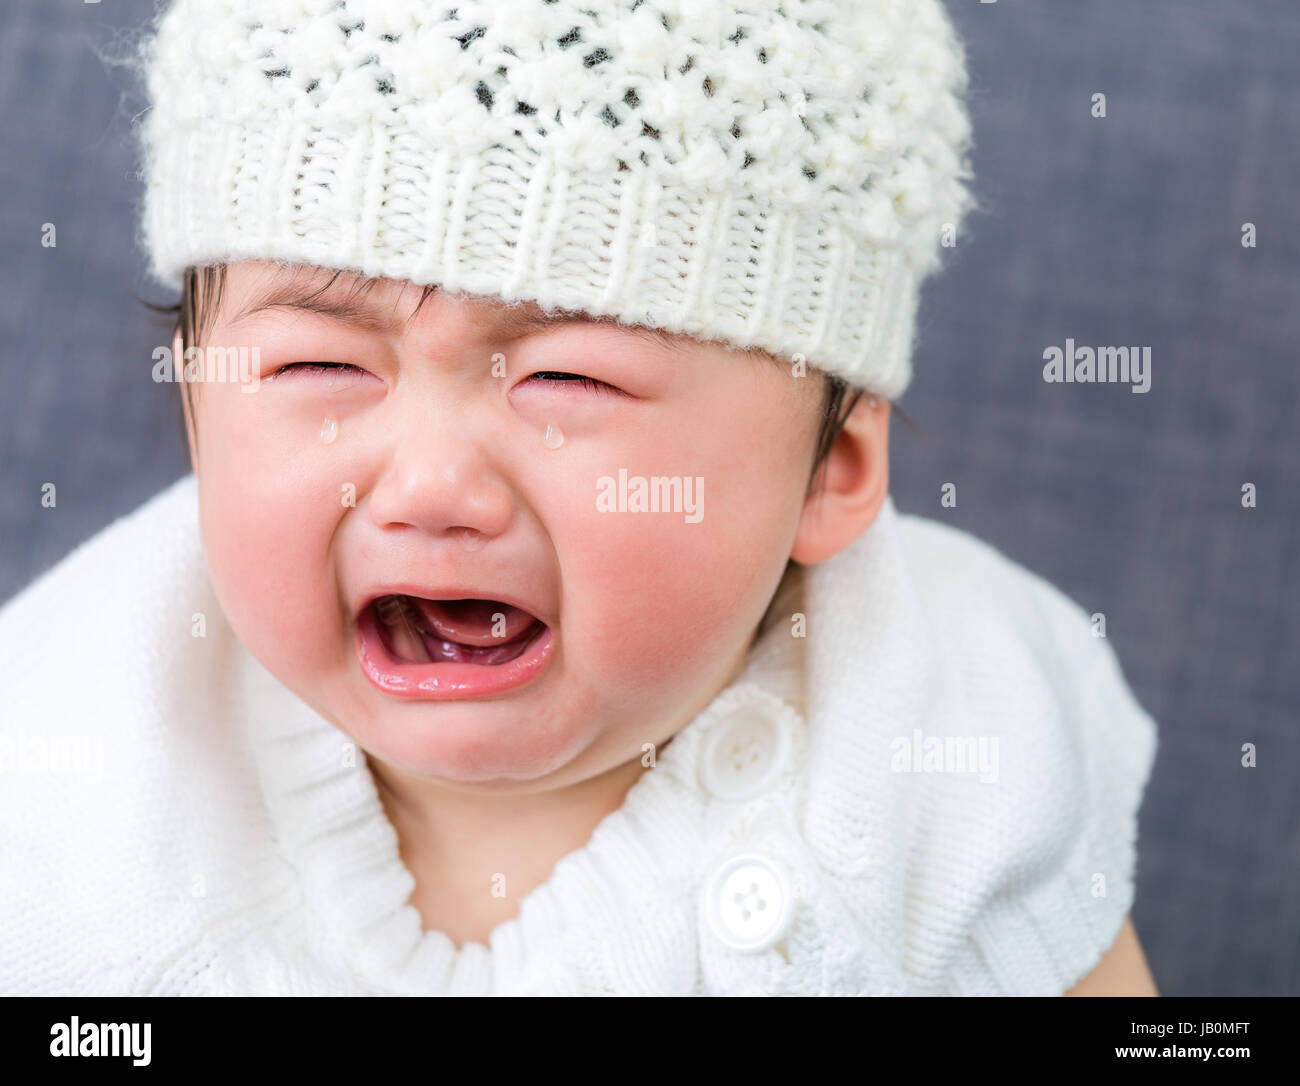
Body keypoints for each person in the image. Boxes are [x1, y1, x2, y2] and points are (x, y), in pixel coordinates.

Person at [0, 0, 1158, 995]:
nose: (434, 487)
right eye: (321, 366)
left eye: (567, 380)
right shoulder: (67, 773)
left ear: (833, 471)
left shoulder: (958, 753)